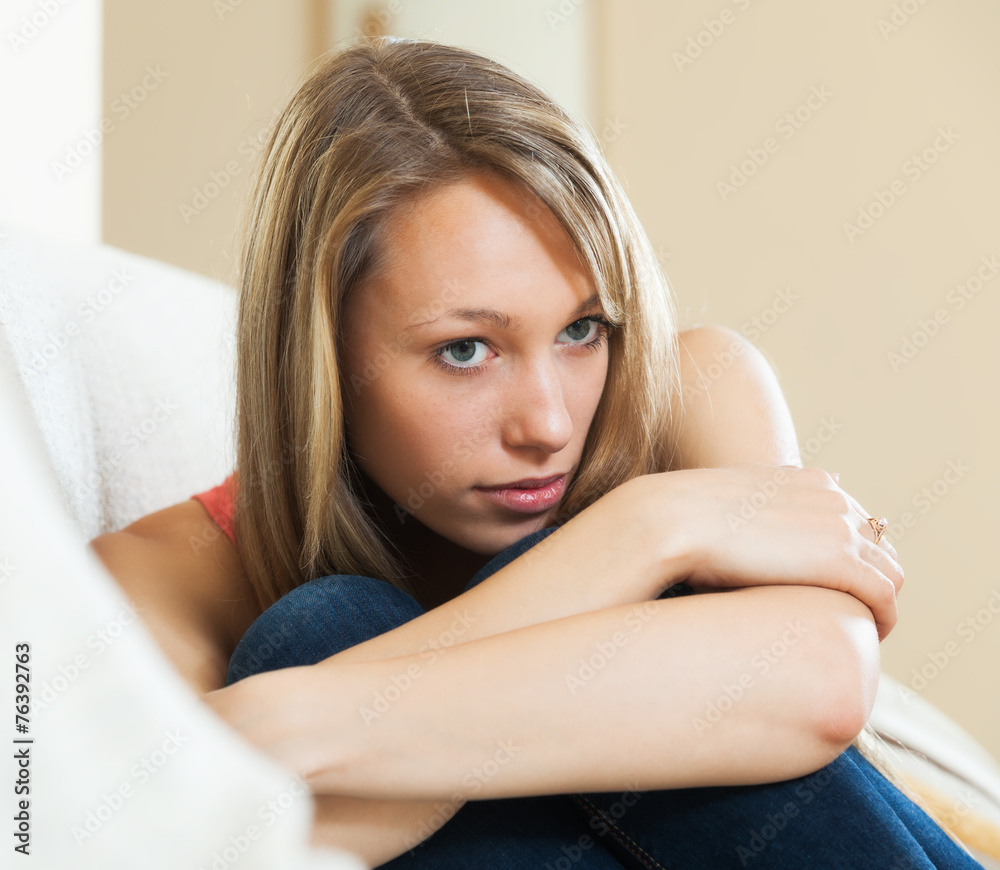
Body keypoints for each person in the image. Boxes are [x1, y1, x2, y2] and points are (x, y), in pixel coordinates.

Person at [90, 37, 985, 869]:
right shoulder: (170, 574)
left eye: (581, 330)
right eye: (466, 350)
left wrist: (282, 722)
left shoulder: (688, 394)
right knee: (321, 625)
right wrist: (642, 533)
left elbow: (817, 682)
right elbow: (150, 842)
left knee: (320, 649)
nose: (549, 425)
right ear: (320, 356)